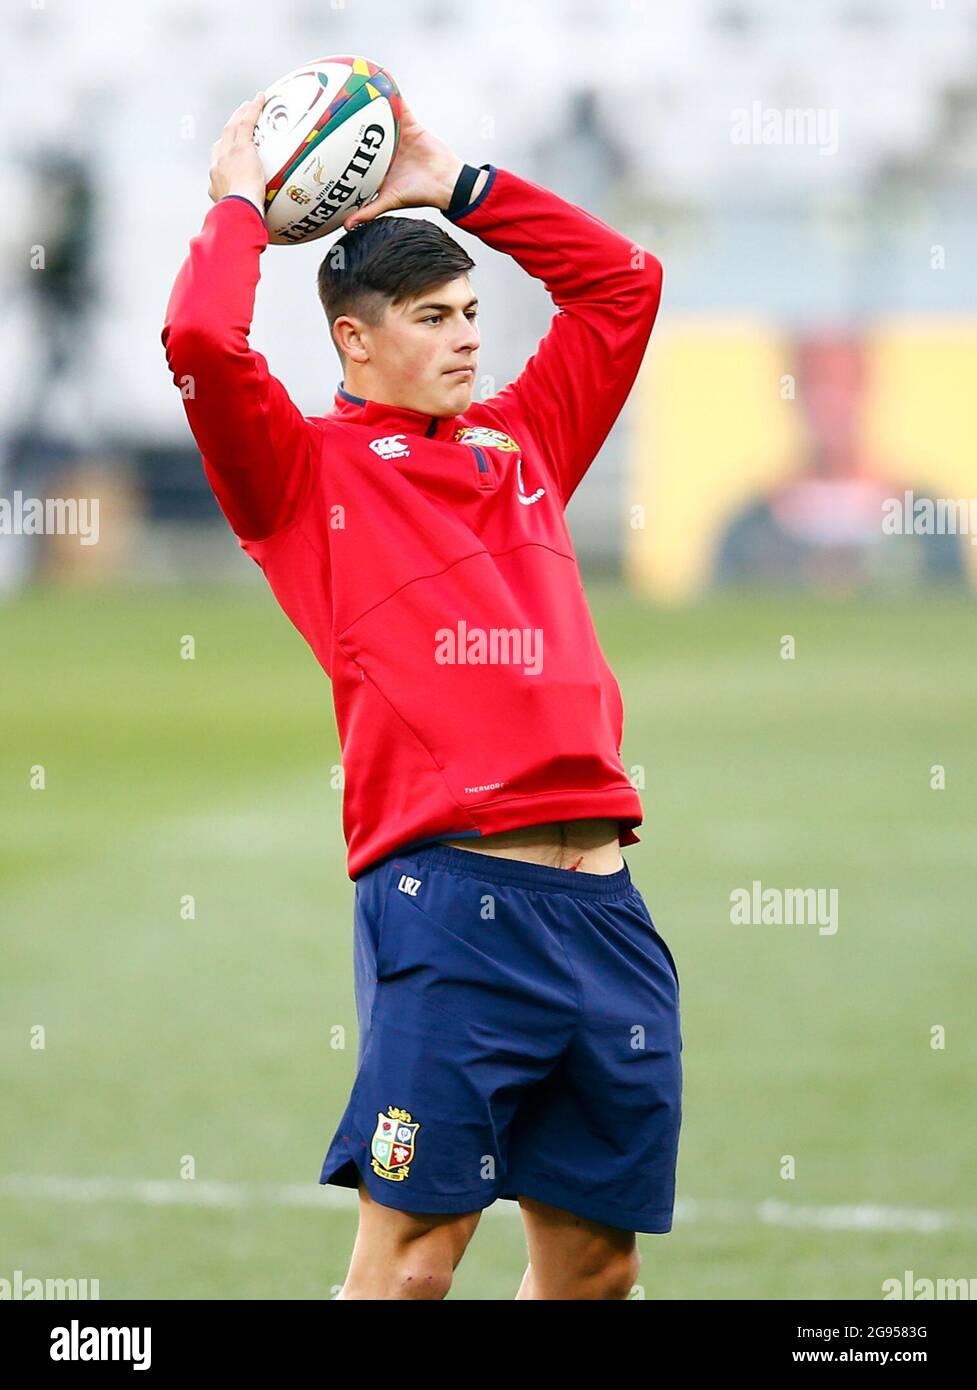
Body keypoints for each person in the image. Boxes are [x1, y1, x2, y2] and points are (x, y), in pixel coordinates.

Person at [162, 91, 681, 1300]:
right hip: (454, 903)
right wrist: (240, 204)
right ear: (352, 339)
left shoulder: (523, 440)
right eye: (434, 318)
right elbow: (200, 344)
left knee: (596, 1269)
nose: (466, 340)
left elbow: (624, 286)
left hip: (606, 913)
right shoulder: (299, 475)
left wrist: (459, 184)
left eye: (471, 314)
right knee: (409, 1266)